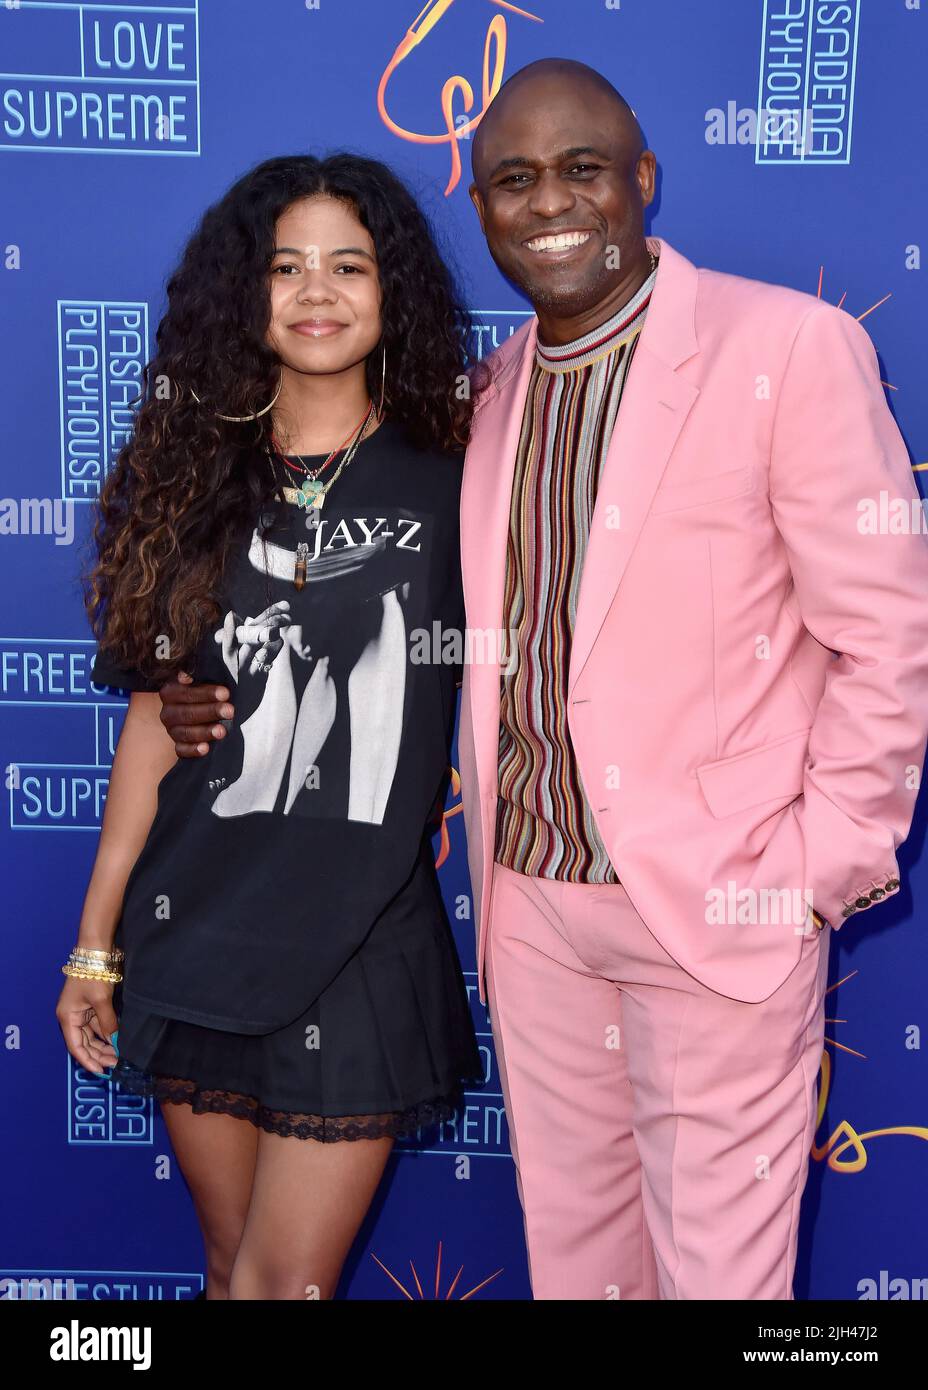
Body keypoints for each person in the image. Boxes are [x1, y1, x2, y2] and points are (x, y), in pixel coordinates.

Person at [158, 60, 928, 1300]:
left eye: (581, 170)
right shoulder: (489, 394)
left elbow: (892, 638)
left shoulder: (786, 344)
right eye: (513, 179)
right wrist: (199, 693)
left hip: (718, 910)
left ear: (642, 180)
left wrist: (812, 875)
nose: (549, 203)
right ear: (480, 207)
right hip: (538, 916)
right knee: (579, 1269)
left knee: (722, 1281)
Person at [57, 152, 486, 1301]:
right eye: (285, 267)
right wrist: (98, 943)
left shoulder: (462, 474)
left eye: (348, 265)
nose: (315, 291)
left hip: (360, 933)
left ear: (392, 289)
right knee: (226, 1266)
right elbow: (156, 721)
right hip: (197, 927)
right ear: (242, 295)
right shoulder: (188, 471)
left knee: (281, 1284)